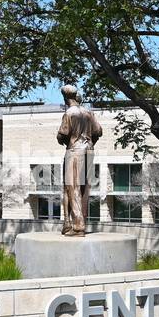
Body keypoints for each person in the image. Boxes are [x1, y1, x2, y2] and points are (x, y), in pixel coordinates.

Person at [56, 84, 103, 236]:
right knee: (84, 188)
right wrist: (90, 142)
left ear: (65, 98)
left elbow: (62, 135)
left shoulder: (69, 113)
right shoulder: (88, 112)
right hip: (89, 150)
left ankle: (78, 226)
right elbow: (98, 132)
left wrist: (61, 139)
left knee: (73, 187)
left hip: (75, 151)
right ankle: (73, 223)